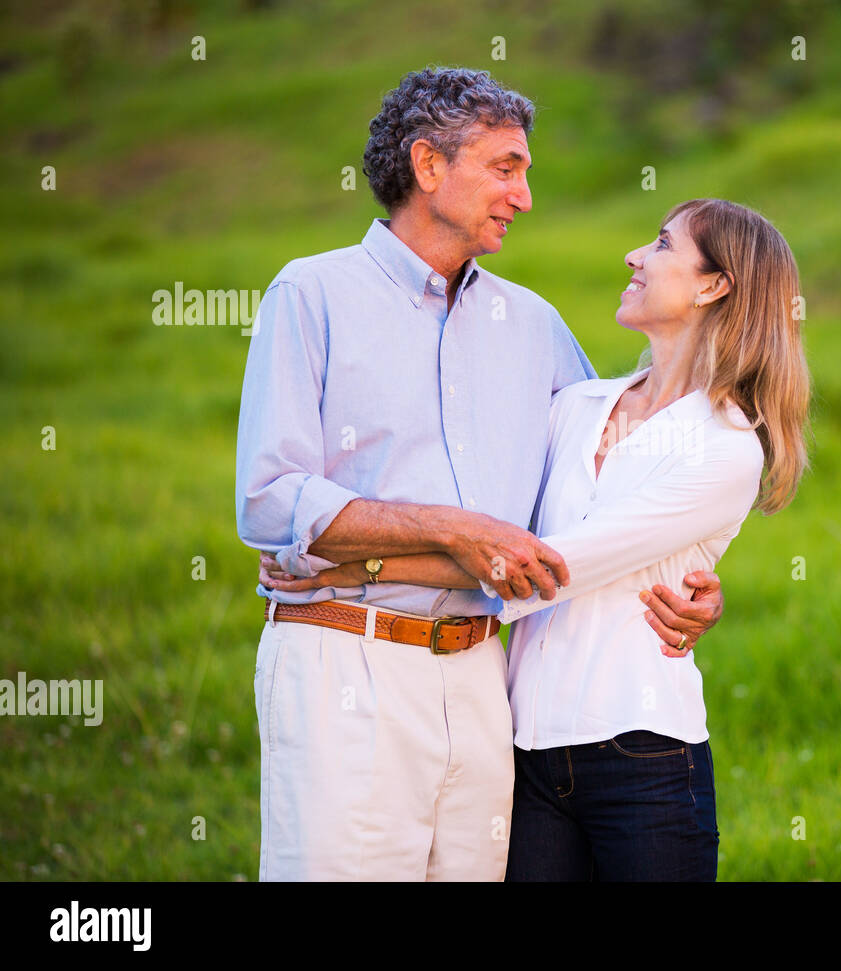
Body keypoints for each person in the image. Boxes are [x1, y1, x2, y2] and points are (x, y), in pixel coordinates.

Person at [236, 68, 725, 882]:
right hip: (344, 661)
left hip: (484, 675)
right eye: (506, 168)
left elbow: (594, 496)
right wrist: (454, 528)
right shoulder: (312, 293)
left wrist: (696, 577)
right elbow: (271, 498)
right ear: (429, 167)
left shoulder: (533, 324)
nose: (524, 196)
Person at [263, 198, 811, 880]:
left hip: (642, 752)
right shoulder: (580, 405)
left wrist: (356, 561)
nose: (635, 255)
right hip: (525, 749)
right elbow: (502, 521)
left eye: (663, 245)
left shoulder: (726, 447)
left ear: (713, 285)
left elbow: (544, 566)